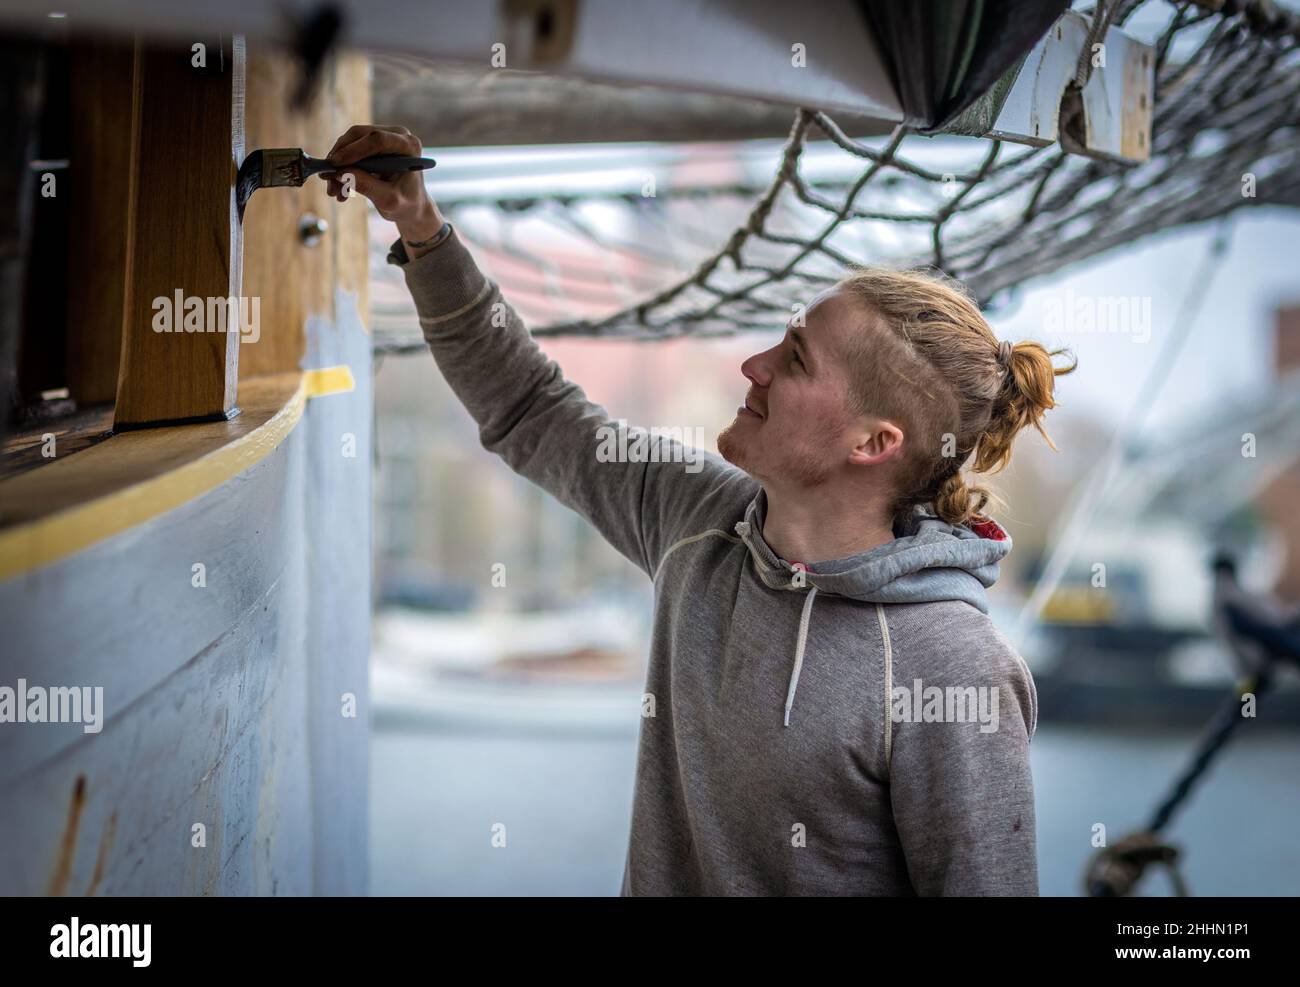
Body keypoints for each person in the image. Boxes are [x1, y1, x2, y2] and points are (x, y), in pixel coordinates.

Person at [325, 125, 1077, 896]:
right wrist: (420, 227)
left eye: (794, 361)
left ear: (872, 441)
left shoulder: (954, 666)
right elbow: (528, 406)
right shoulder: (698, 521)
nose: (753, 367)